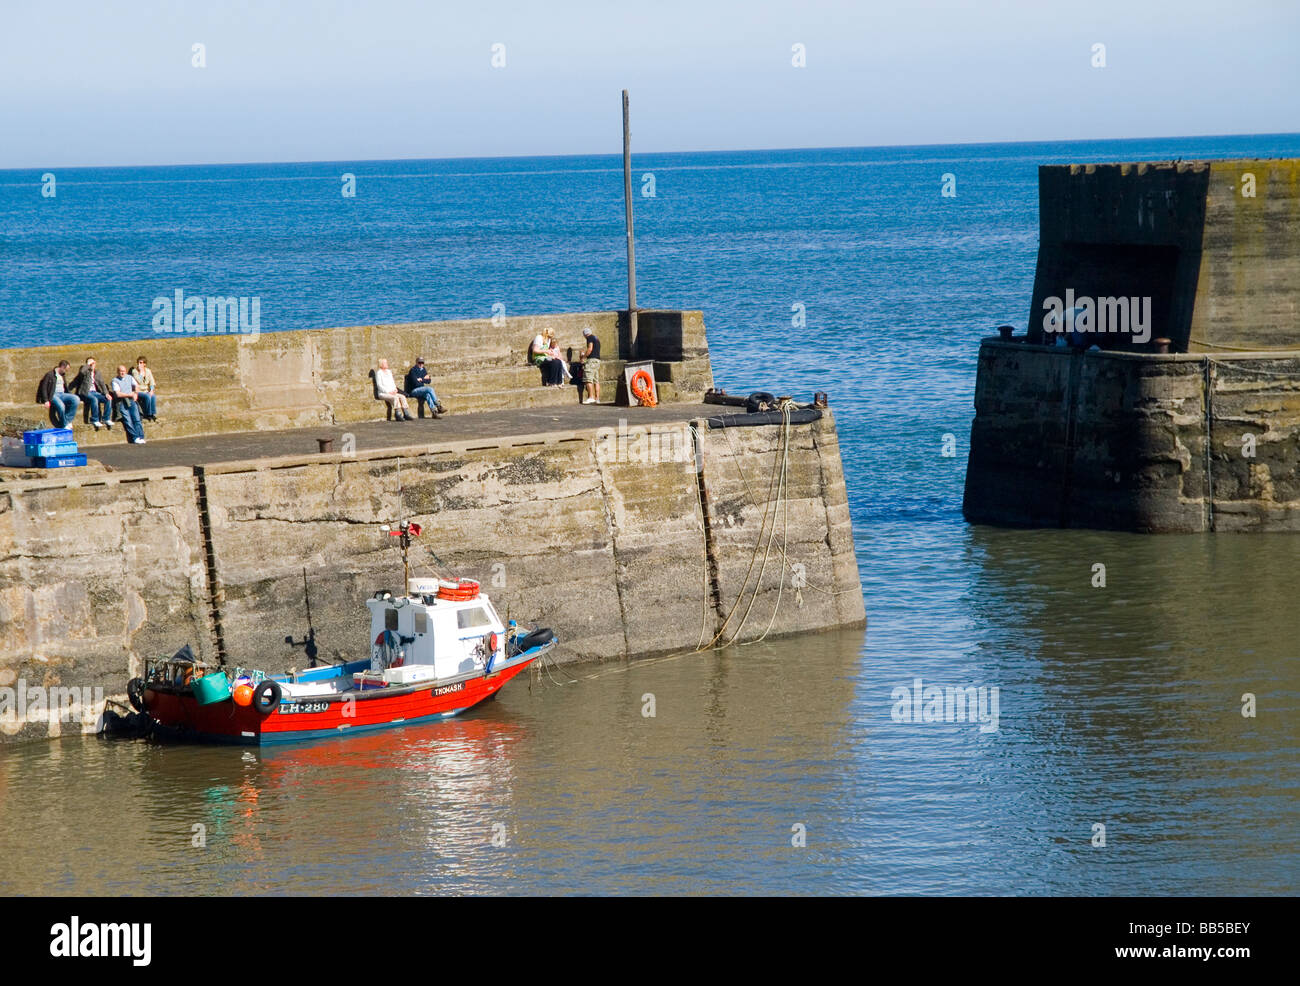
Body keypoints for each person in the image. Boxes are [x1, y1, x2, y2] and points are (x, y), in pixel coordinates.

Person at [70, 357, 111, 430]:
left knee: (108, 399)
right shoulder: (85, 371)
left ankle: (106, 419)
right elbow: (81, 372)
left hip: (95, 392)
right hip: (85, 392)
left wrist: (106, 393)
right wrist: (88, 365)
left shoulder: (97, 372)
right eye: (91, 363)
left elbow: (102, 384)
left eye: (94, 363)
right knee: (94, 399)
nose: (93, 365)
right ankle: (95, 420)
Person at [35, 360, 80, 427]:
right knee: (61, 406)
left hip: (62, 394)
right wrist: (46, 400)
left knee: (76, 399)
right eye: (66, 369)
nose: (66, 371)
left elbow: (65, 387)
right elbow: (43, 387)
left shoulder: (62, 375)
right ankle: (64, 424)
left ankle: (67, 421)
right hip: (53, 395)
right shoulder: (50, 374)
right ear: (62, 367)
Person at [109, 365, 147, 444]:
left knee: (137, 419)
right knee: (128, 421)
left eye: (124, 371)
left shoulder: (129, 377)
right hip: (122, 402)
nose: (122, 373)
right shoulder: (114, 381)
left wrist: (136, 393)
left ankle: (141, 437)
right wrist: (130, 395)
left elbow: (136, 386)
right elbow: (118, 394)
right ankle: (135, 437)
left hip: (131, 401)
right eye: (121, 371)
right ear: (118, 372)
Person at [131, 356, 158, 421]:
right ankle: (147, 414)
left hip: (145, 390)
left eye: (141, 363)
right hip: (138, 391)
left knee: (153, 396)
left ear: (144, 364)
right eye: (138, 363)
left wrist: (151, 390)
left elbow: (152, 381)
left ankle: (152, 413)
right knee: (147, 396)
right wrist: (141, 373)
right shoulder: (134, 371)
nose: (139, 364)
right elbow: (139, 381)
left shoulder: (148, 371)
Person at [581, 328, 601, 404]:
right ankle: (597, 398)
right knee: (596, 380)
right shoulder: (596, 338)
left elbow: (590, 349)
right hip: (597, 360)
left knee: (588, 379)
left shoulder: (590, 338)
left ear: (585, 334)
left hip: (591, 361)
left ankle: (591, 397)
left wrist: (584, 357)